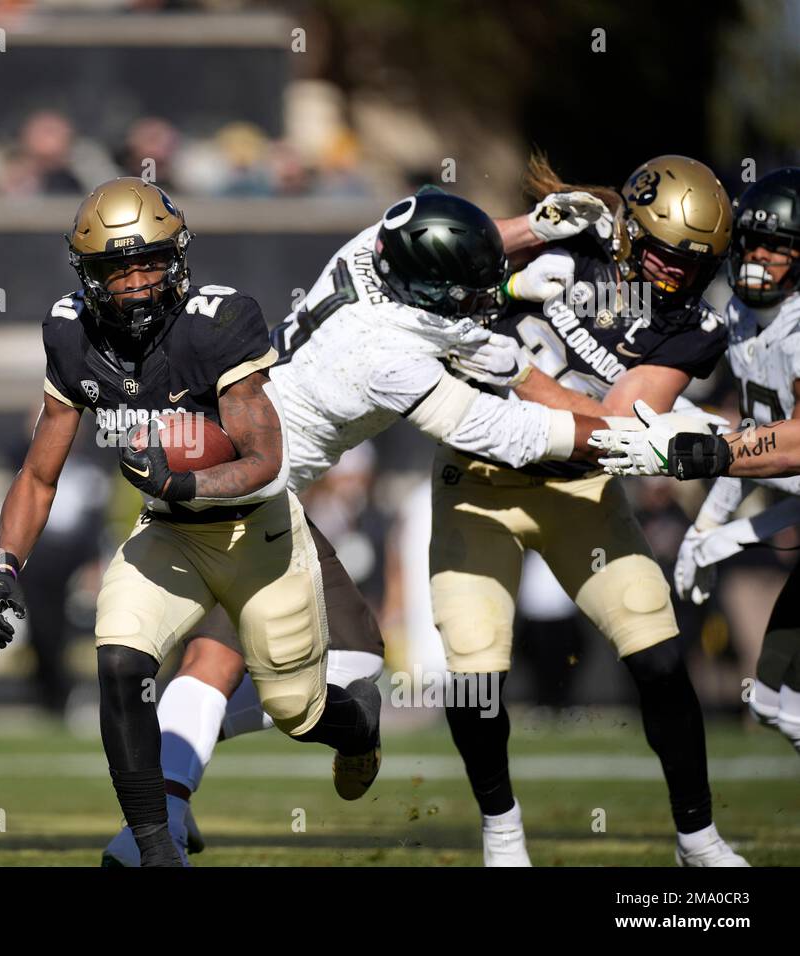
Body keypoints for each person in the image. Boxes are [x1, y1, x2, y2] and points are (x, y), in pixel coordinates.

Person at [103, 188, 623, 865]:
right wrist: (643, 442)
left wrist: (532, 228)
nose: (480, 298)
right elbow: (513, 432)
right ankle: (169, 802)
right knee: (352, 673)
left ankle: (166, 806)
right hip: (257, 491)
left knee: (215, 657)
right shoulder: (391, 356)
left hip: (226, 470)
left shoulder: (368, 251)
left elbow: (446, 242)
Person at [0, 177, 383, 866]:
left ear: (178, 257)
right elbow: (38, 474)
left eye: (148, 263)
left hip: (255, 533)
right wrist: (2, 565)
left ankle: (359, 731)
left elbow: (266, 459)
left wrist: (181, 478)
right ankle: (158, 848)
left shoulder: (217, 322)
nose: (135, 284)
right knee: (119, 660)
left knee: (298, 711)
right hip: (167, 530)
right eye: (116, 269)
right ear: (89, 276)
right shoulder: (71, 335)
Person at [429, 155, 748, 866]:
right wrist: (524, 232)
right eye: (665, 254)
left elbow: (614, 422)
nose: (675, 274)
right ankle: (502, 832)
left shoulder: (693, 324)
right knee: (475, 672)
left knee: (661, 658)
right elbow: (449, 253)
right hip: (481, 476)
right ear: (631, 232)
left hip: (577, 485)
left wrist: (514, 368)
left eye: (695, 262)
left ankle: (698, 840)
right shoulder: (571, 246)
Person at [590, 167, 800, 756]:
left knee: (782, 697)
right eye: (749, 244)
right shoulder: (738, 316)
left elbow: (793, 445)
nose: (758, 259)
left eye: (776, 248)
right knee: (774, 699)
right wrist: (711, 528)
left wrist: (705, 454)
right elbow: (762, 444)